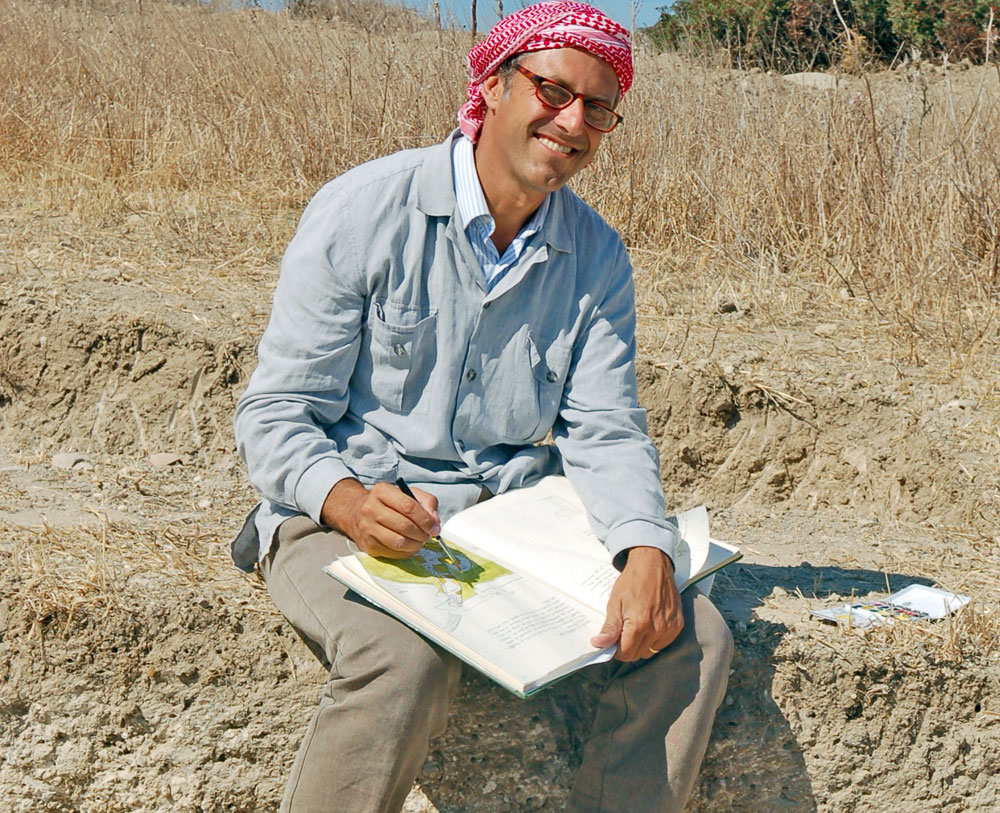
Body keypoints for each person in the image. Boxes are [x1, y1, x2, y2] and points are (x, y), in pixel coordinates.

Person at [232, 3, 733, 810]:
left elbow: (605, 428)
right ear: (495, 85)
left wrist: (647, 549)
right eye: (552, 89)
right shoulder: (366, 209)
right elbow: (277, 411)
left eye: (597, 107)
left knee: (693, 635)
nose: (572, 121)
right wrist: (351, 502)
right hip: (337, 518)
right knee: (404, 654)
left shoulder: (597, 256)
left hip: (504, 529)